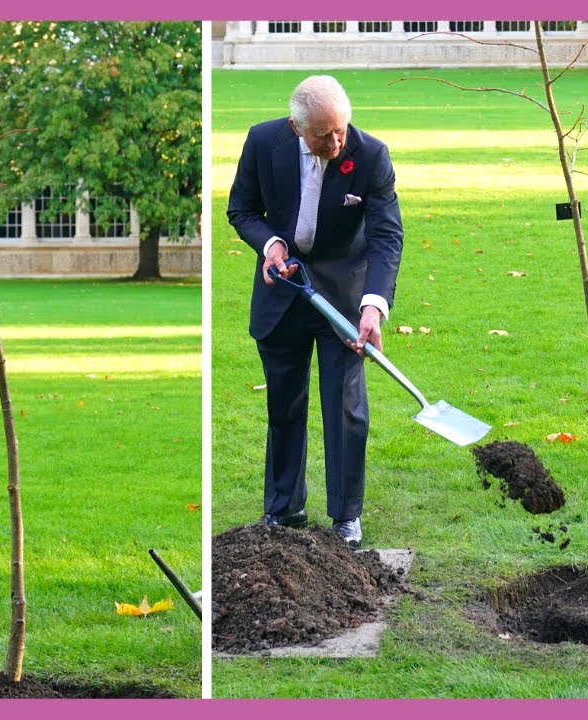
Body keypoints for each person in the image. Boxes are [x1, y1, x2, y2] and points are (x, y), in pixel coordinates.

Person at [226, 75, 403, 548]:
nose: (336, 141)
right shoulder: (263, 142)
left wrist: (374, 305)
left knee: (345, 408)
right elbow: (241, 210)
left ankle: (346, 516)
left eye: (341, 129)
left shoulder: (370, 155)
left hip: (344, 301)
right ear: (295, 127)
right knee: (284, 405)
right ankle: (284, 508)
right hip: (282, 291)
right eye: (324, 134)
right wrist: (271, 244)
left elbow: (387, 236)